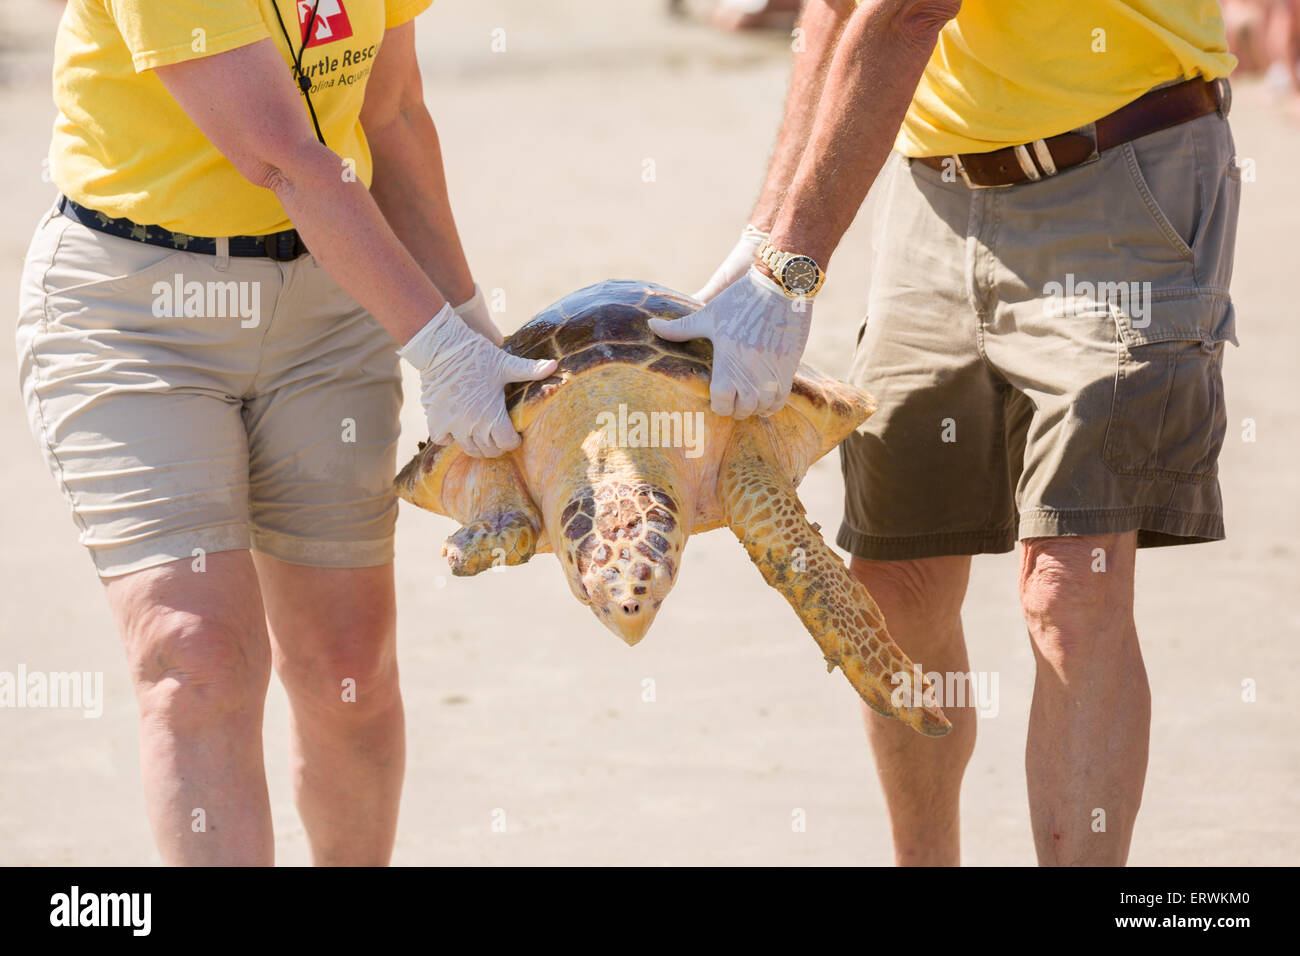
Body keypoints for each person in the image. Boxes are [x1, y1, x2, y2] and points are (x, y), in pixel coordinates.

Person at [668, 0, 1240, 865]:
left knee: (1069, 591)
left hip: (1123, 169)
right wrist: (765, 242)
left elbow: (906, 14)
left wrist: (791, 271)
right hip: (932, 188)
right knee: (894, 585)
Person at [16, 0, 555, 865]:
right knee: (194, 658)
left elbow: (395, 114)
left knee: (349, 667)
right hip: (135, 315)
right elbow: (284, 158)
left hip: (328, 299)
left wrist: (472, 328)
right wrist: (443, 352)